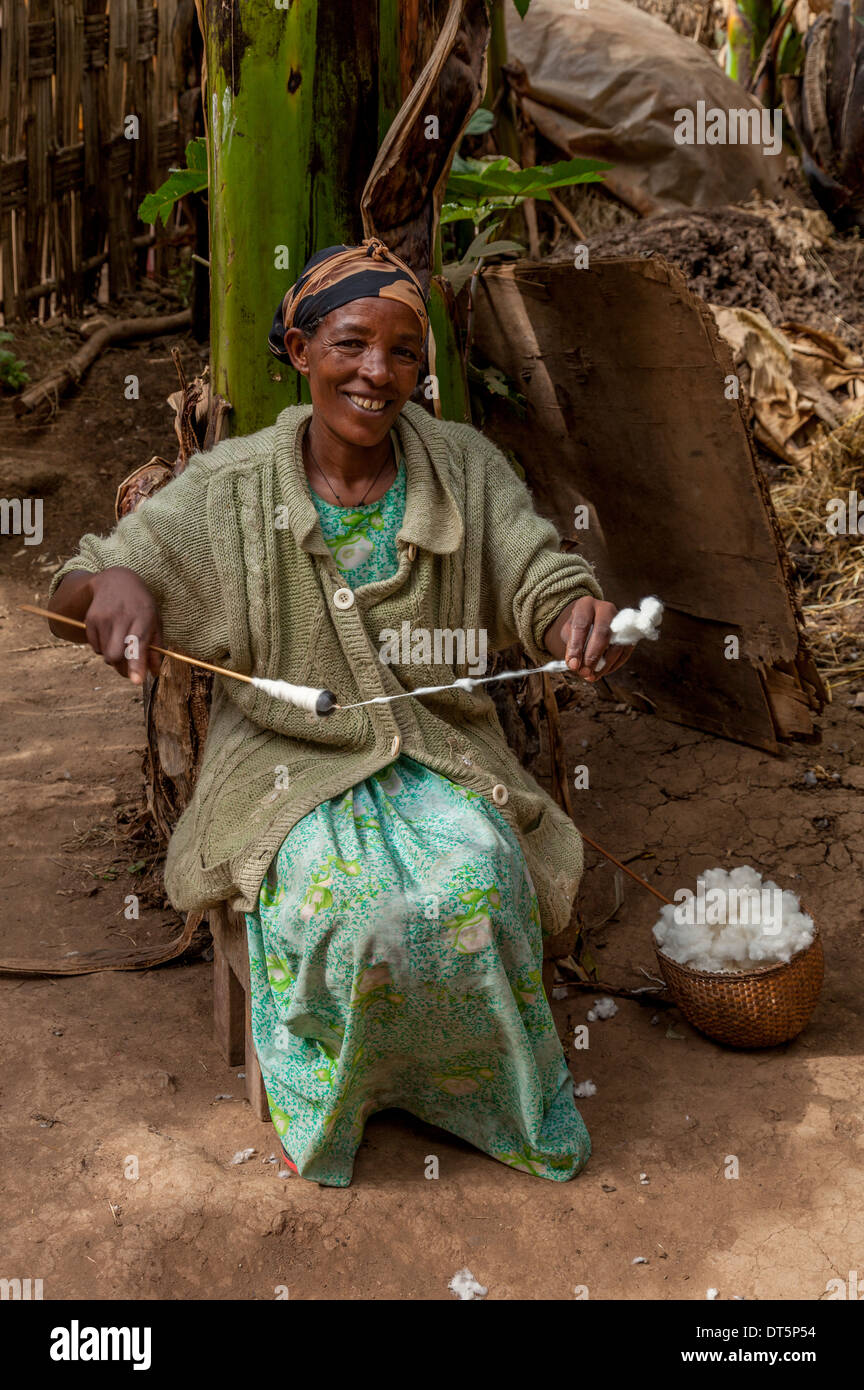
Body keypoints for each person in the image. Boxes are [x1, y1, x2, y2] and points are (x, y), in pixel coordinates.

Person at [48, 236, 633, 1187]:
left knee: (479, 882)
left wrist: (570, 611)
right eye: (352, 343)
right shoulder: (233, 487)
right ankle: (345, 1097)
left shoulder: (463, 467)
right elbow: (79, 579)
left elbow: (534, 569)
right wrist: (113, 584)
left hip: (439, 751)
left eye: (405, 353)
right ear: (300, 349)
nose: (377, 373)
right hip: (289, 762)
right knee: (354, 914)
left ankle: (480, 1093)